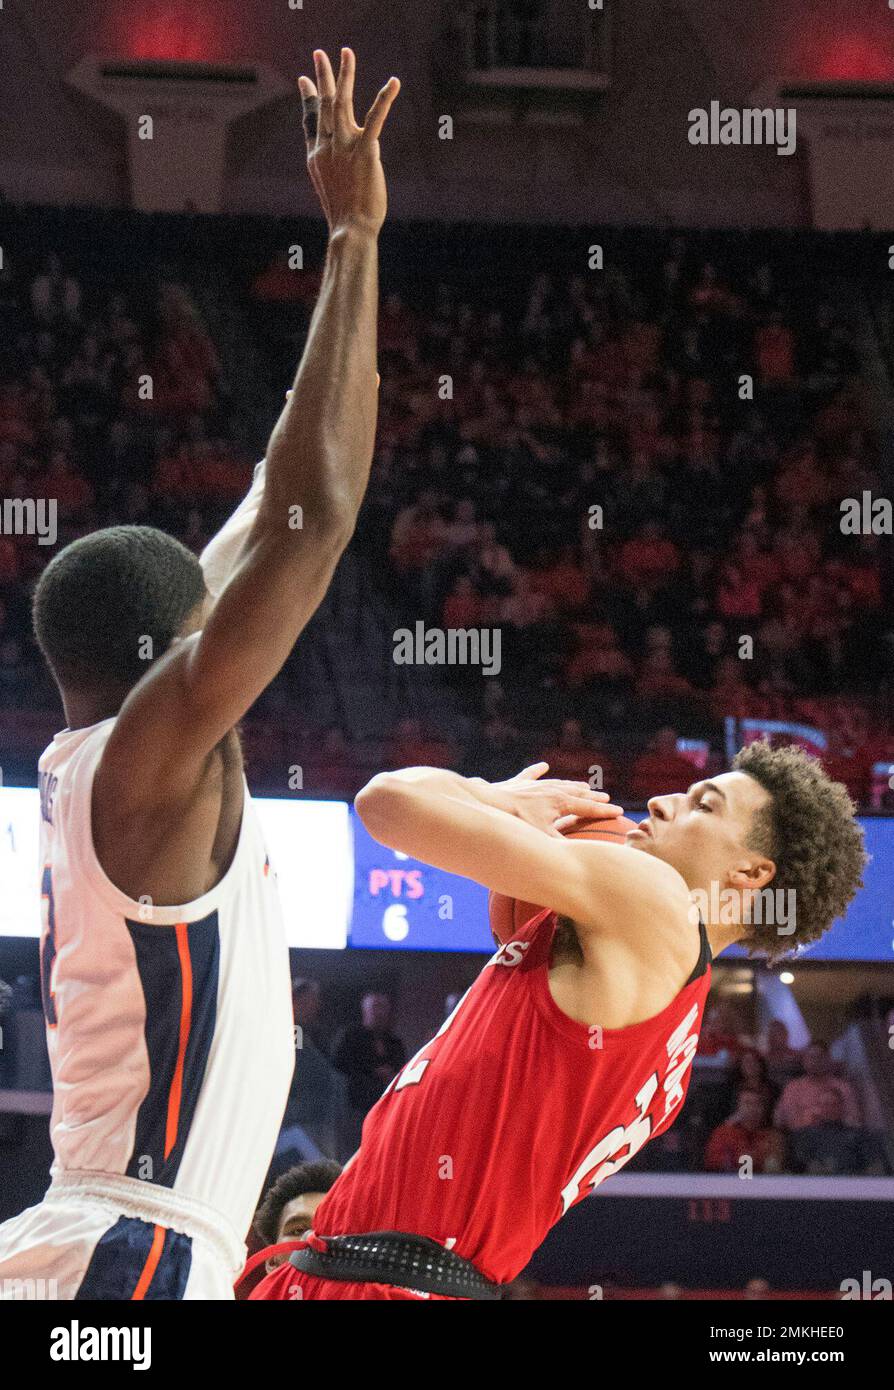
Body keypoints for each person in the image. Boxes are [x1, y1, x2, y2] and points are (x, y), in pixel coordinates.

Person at [0, 48, 400, 1302]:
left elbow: (265, 516)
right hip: (130, 1259)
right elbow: (314, 519)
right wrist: (351, 238)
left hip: (118, 1248)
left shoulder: (105, 756)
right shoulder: (146, 763)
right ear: (167, 654)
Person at [252, 740, 865, 1299]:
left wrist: (500, 800)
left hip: (381, 1278)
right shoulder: (671, 1038)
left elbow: (386, 802)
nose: (661, 799)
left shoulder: (656, 899)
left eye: (703, 806)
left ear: (750, 875)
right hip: (398, 1274)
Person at [773, 1041, 862, 1133]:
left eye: (820, 1056)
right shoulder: (793, 1088)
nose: (816, 1061)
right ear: (804, 1061)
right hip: (803, 1138)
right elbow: (787, 1120)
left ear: (828, 1059)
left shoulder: (843, 1087)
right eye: (811, 1057)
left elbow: (853, 1120)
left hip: (837, 1137)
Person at [703, 1089, 786, 1173]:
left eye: (757, 1104)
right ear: (738, 1107)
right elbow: (712, 1162)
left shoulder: (773, 1137)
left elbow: (775, 1166)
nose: (753, 1108)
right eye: (748, 1103)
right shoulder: (723, 1133)